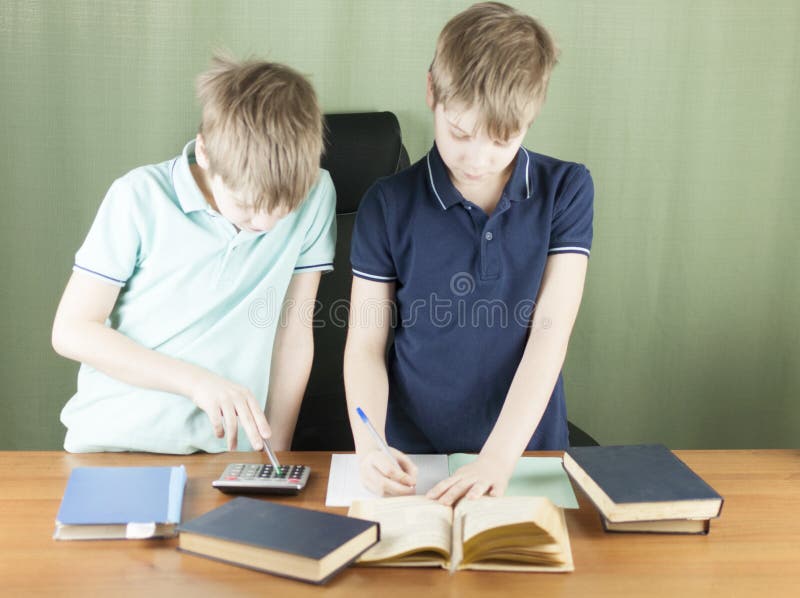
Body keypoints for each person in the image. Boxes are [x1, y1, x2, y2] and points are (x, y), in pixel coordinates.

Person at [344, 2, 593, 505]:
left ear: (531, 115)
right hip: (414, 462)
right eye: (460, 133)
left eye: (502, 140)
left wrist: (498, 459)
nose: (477, 159)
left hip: (525, 454)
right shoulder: (387, 204)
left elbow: (550, 336)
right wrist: (370, 448)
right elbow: (365, 346)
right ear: (432, 91)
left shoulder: (566, 189)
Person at [52, 55, 336, 454]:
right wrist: (195, 381)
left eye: (283, 208)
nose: (267, 224)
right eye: (247, 206)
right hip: (115, 443)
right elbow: (71, 330)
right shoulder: (138, 197)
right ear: (204, 153)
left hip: (226, 457)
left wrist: (278, 452)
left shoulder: (316, 194)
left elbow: (293, 333)